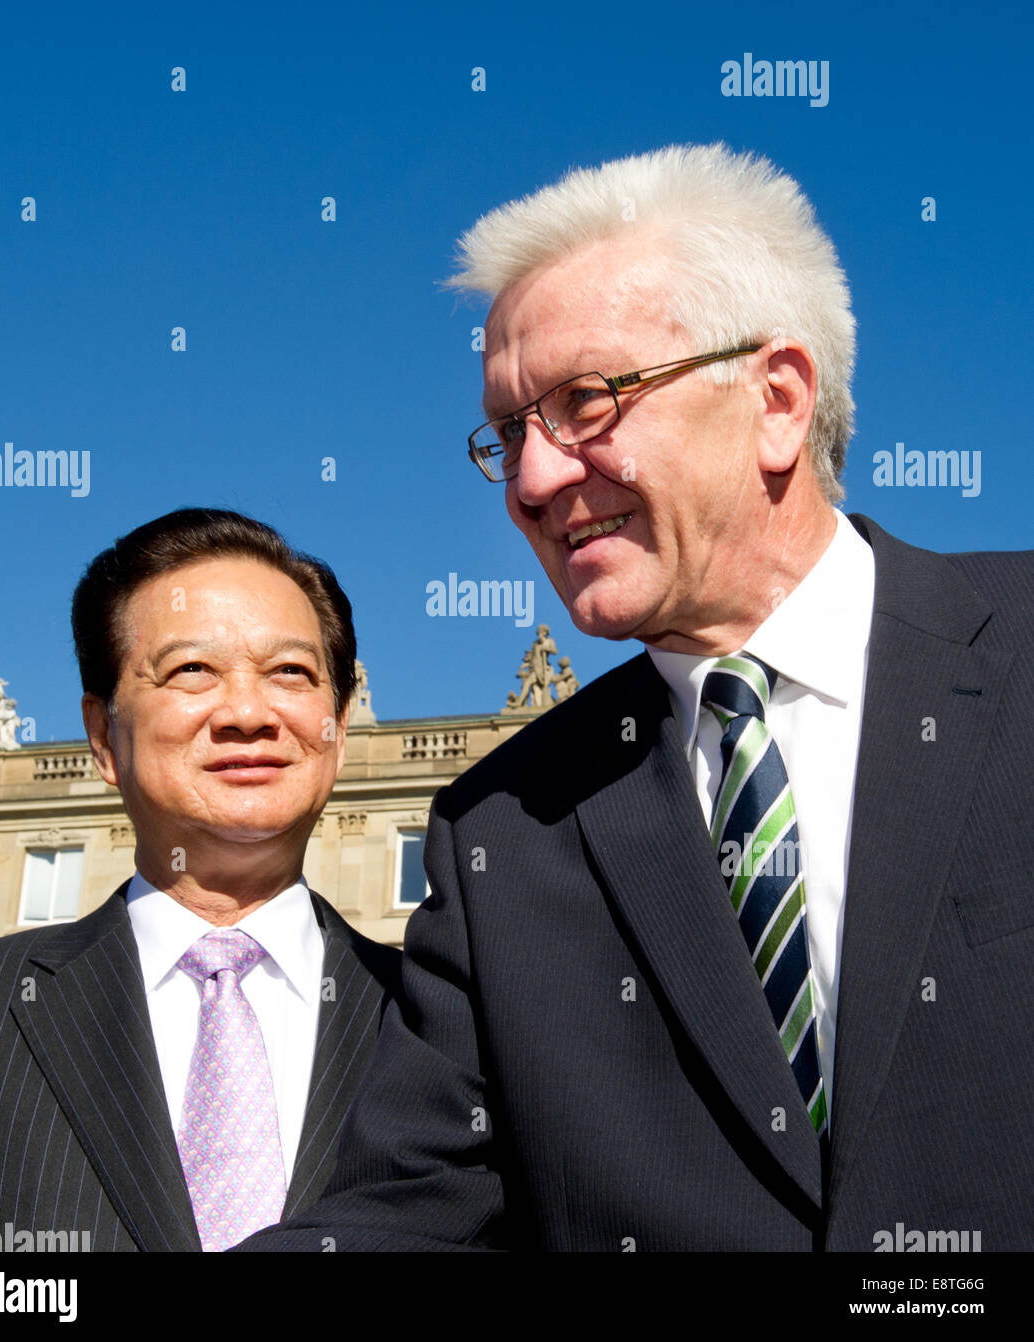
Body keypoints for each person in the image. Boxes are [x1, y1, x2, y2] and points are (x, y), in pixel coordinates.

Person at [240, 144, 1034, 1252]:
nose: (530, 481)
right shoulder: (500, 830)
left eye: (584, 402)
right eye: (510, 431)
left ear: (776, 400)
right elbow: (411, 1218)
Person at [0, 508, 401, 1252]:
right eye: (191, 671)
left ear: (337, 726)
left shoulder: (451, 1027)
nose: (248, 712)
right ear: (102, 735)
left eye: (290, 673)